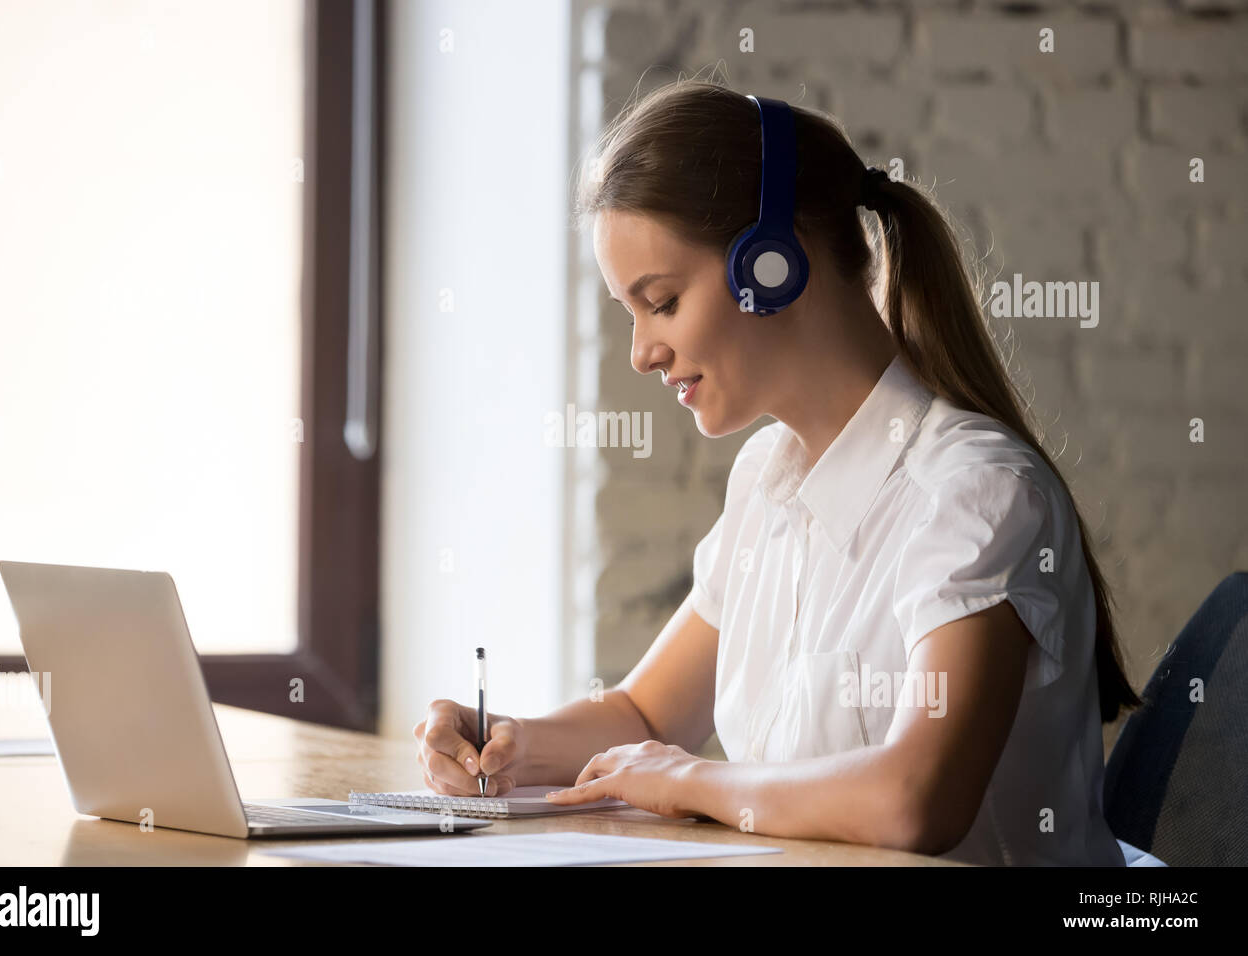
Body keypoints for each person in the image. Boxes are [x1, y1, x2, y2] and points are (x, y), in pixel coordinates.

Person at [414, 79, 1143, 865]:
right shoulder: (768, 480)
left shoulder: (976, 495)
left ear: (773, 264)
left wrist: (695, 783)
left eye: (660, 302)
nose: (641, 352)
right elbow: (649, 717)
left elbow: (916, 800)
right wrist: (508, 744)